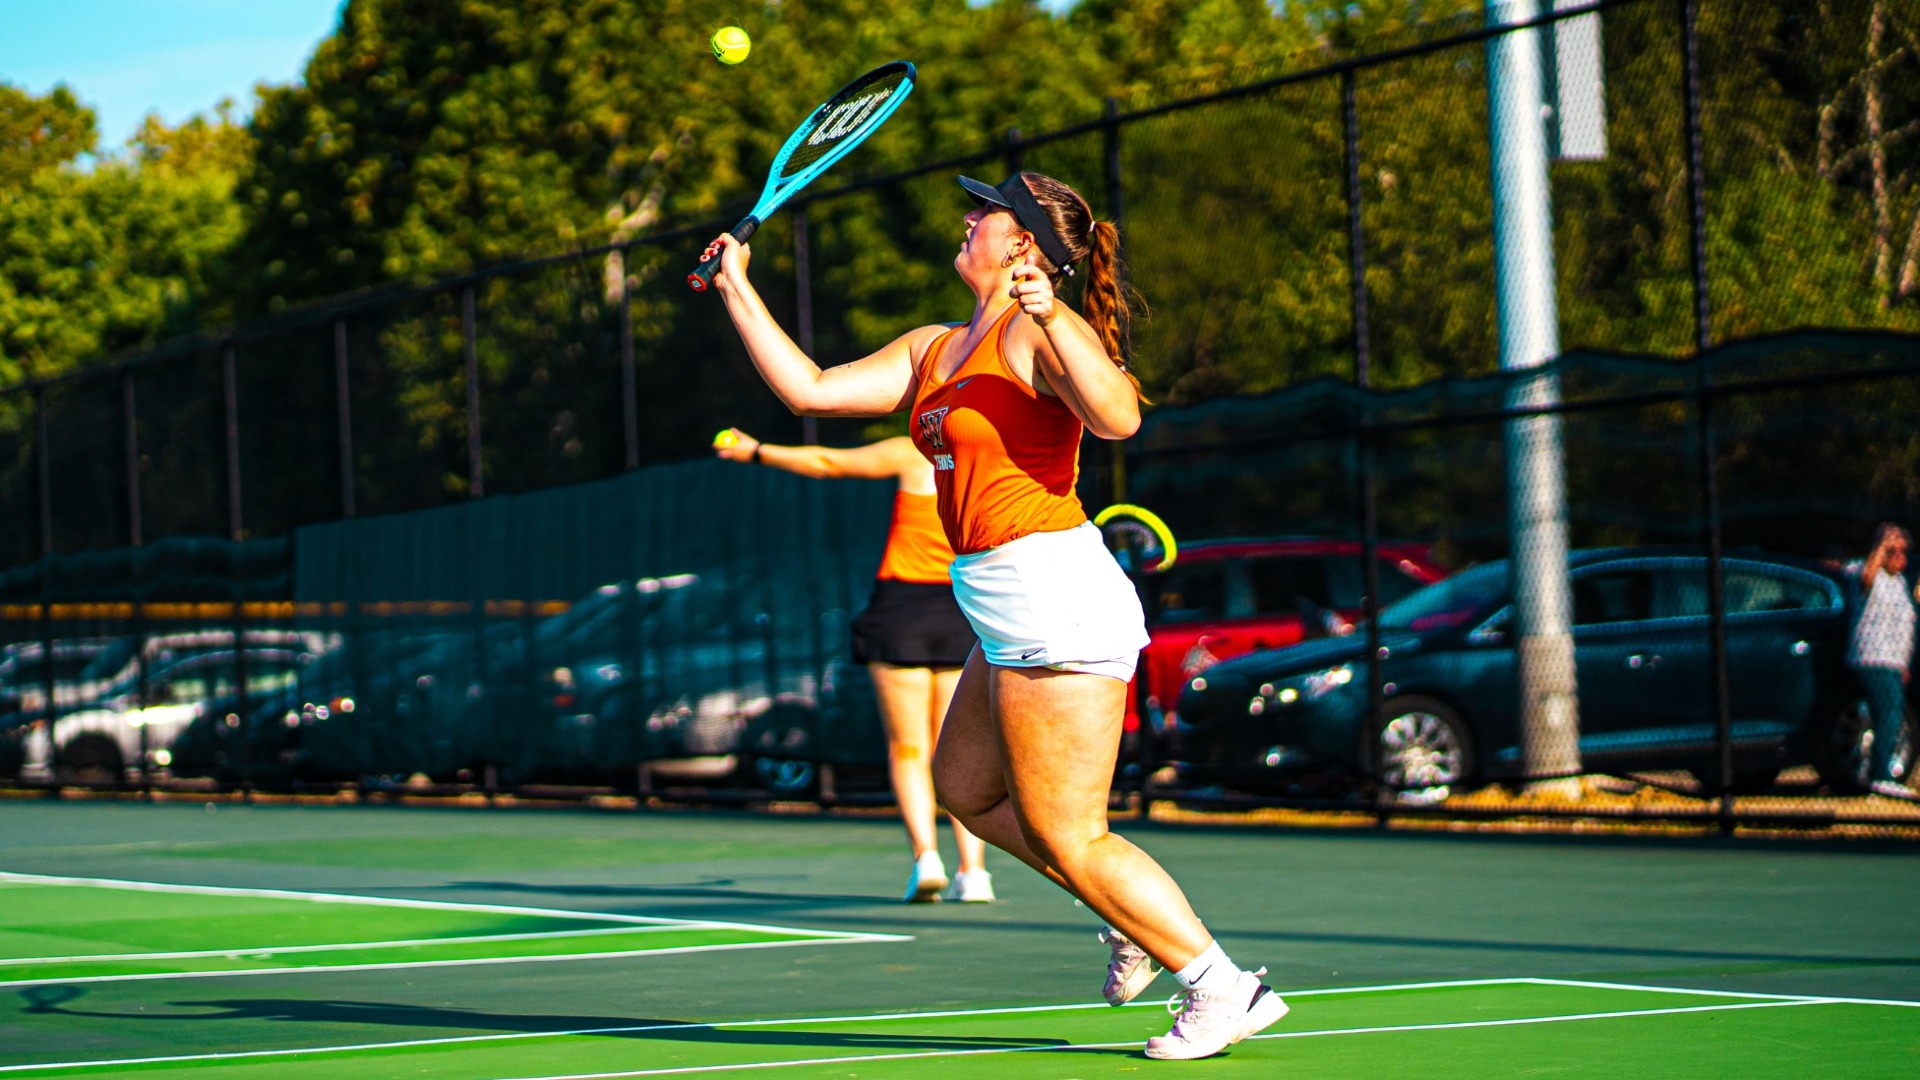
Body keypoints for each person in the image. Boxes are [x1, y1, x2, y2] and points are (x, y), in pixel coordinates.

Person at [702, 170, 1286, 1060]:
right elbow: (813, 391)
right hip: (1000, 601)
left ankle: (1218, 986)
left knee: (1067, 831)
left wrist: (1054, 315)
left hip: (1054, 593)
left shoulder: (1037, 331)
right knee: (968, 792)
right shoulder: (936, 346)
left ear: (1023, 245)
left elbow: (1120, 415)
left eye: (988, 212)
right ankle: (1131, 914)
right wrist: (740, 285)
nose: (969, 219)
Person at [712, 428, 993, 902]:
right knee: (959, 749)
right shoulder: (992, 462)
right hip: (961, 611)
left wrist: (755, 451)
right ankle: (975, 873)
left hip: (902, 612)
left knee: (908, 749)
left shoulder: (913, 452)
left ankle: (927, 858)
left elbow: (827, 461)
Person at [1850, 523, 1917, 800]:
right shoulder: (1870, 576)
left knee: (1887, 715)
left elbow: (1904, 627)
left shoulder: (1900, 583)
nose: (1900, 557)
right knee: (1890, 713)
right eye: (1894, 552)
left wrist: (1903, 663)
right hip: (1873, 657)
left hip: (1893, 661)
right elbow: (1862, 573)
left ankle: (1875, 773)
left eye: (1903, 552)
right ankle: (1881, 776)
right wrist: (1882, 547)